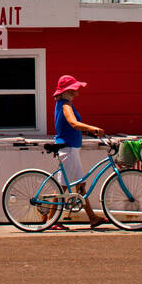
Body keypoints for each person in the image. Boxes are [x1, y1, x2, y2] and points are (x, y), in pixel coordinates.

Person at [52, 73, 107, 230]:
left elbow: (71, 126)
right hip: (67, 148)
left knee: (80, 185)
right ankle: (51, 220)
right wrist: (93, 129)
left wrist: (87, 131)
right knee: (63, 187)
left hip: (71, 148)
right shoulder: (66, 105)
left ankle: (92, 218)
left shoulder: (65, 104)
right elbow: (73, 123)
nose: (77, 92)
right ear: (67, 91)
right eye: (75, 89)